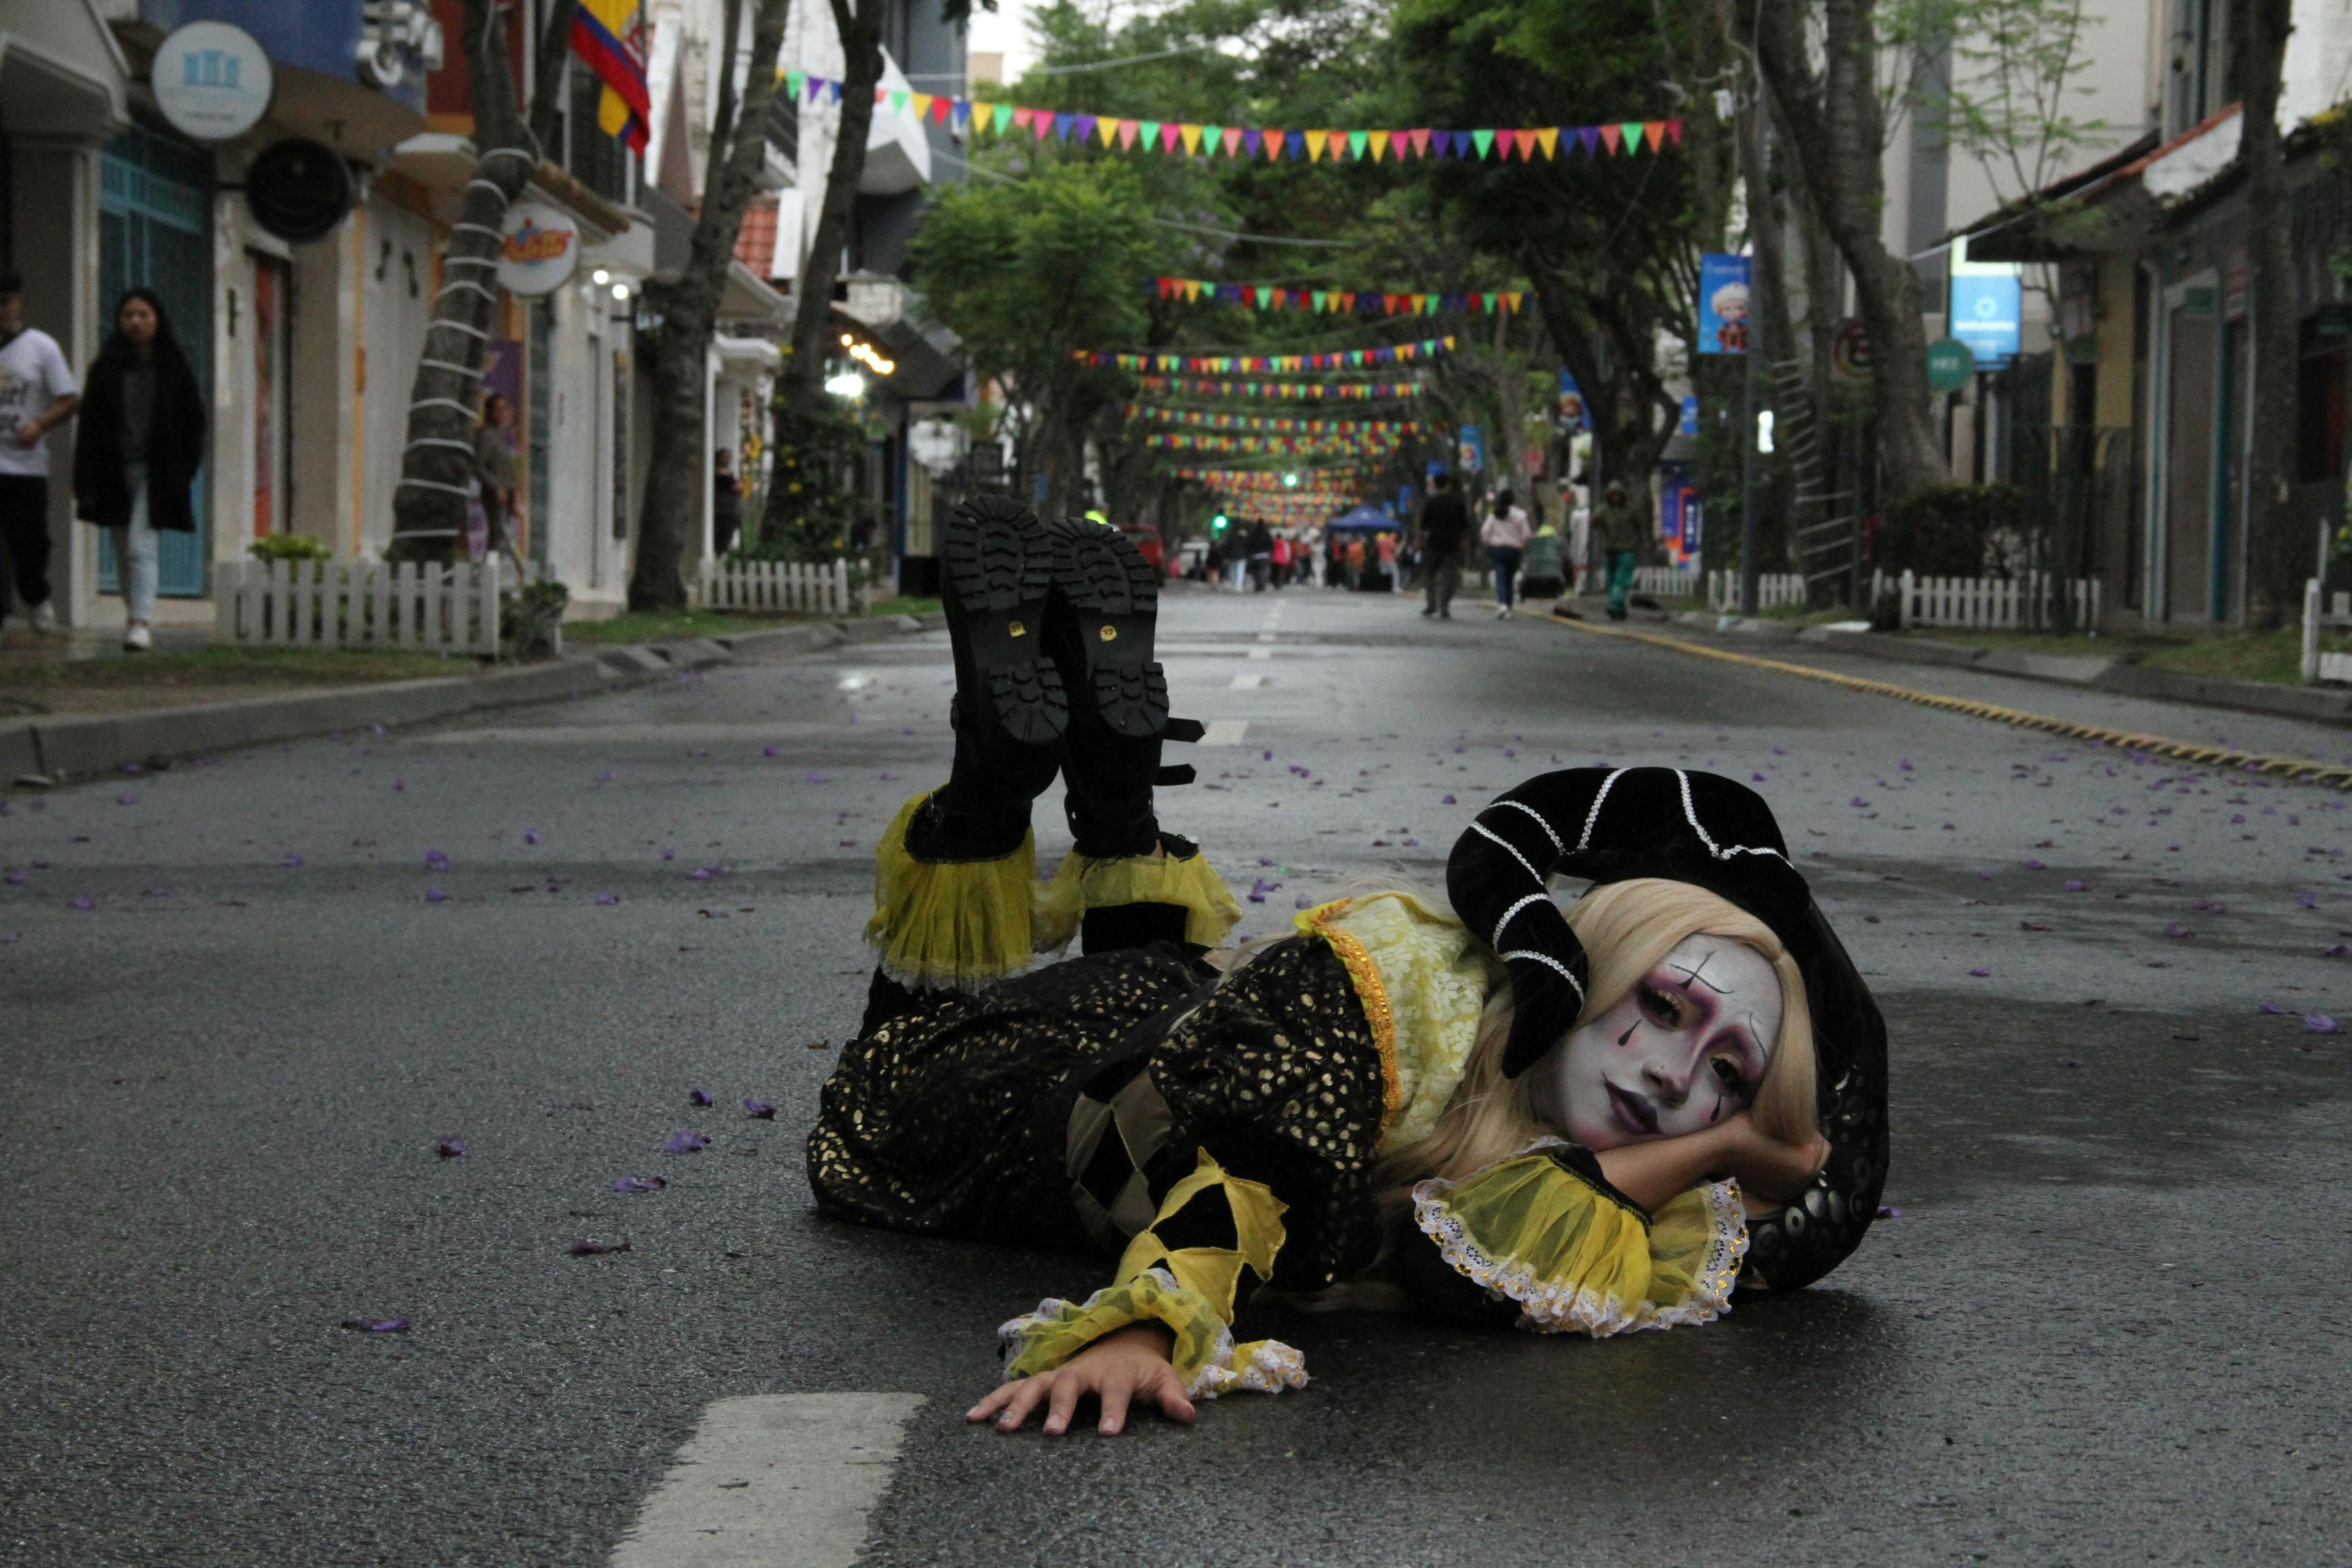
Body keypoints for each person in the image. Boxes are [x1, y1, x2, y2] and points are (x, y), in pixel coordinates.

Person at [806, 495, 1889, 1437]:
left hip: (1172, 1021)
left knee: (1158, 1040)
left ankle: (1110, 785)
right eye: (1663, 1005)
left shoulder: (1637, 1178)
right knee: (876, 1090)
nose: (1673, 1076)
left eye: (1727, 1073)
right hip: (1039, 1107)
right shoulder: (1396, 1001)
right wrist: (1146, 1325)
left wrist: (1746, 1142)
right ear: (1588, 964)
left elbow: (1494, 1258)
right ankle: (994, 785)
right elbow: (1246, 1187)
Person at [73, 289, 205, 653]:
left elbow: (195, 423)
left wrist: (185, 469)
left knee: (139, 544)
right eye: (128, 315)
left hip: (158, 472)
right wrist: (84, 477)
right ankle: (134, 613)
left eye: (143, 314)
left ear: (157, 319)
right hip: (113, 470)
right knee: (122, 545)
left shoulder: (175, 367)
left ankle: (141, 621)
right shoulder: (105, 369)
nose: (136, 321)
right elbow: (89, 426)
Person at [0, 270, 80, 636]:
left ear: (17, 303)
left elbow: (68, 399)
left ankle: (35, 595)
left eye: (4, 302)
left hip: (25, 466)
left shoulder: (41, 346)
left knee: (29, 542)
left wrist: (40, 424)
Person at [473, 393, 521, 569]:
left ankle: (501, 572)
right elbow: (478, 466)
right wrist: (496, 486)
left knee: (506, 537)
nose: (503, 413)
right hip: (494, 494)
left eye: (506, 409)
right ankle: (489, 573)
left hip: (508, 494)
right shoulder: (485, 435)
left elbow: (510, 470)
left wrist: (515, 493)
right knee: (497, 536)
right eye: (498, 409)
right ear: (490, 412)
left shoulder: (503, 435)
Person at [1416, 472, 1469, 619]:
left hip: (1434, 543)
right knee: (1449, 575)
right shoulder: (1458, 502)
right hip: (1452, 544)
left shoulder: (1431, 502)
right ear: (1448, 484)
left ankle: (1431, 604)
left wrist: (1419, 540)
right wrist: (1464, 541)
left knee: (1430, 573)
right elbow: (1465, 525)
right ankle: (1444, 605)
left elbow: (1423, 525)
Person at [1592, 480, 1645, 622]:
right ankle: (1619, 609)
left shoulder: (1631, 510)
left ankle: (1615, 604)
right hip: (1610, 549)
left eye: (1618, 494)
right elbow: (1595, 524)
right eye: (1613, 495)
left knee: (1621, 580)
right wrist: (1596, 519)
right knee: (1611, 581)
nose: (1615, 497)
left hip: (1627, 549)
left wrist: (1641, 544)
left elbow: (1640, 528)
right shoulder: (1603, 510)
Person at [1480, 487, 1532, 619]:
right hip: (1514, 550)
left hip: (1497, 549)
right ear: (1513, 500)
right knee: (1509, 579)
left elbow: (1485, 531)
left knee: (1500, 578)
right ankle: (1508, 607)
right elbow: (1526, 534)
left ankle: (1502, 604)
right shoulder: (1521, 515)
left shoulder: (1495, 515)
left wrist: (1488, 543)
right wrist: (1522, 545)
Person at [1519, 514, 1565, 601]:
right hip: (1553, 571)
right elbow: (1563, 554)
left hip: (1533, 571)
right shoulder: (1557, 540)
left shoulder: (1533, 539)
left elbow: (1525, 550)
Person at [713, 447, 743, 558]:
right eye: (724, 457)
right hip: (722, 511)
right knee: (721, 538)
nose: (727, 460)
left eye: (729, 457)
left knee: (727, 537)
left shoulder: (729, 474)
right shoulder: (719, 475)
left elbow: (739, 488)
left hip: (731, 511)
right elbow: (736, 487)